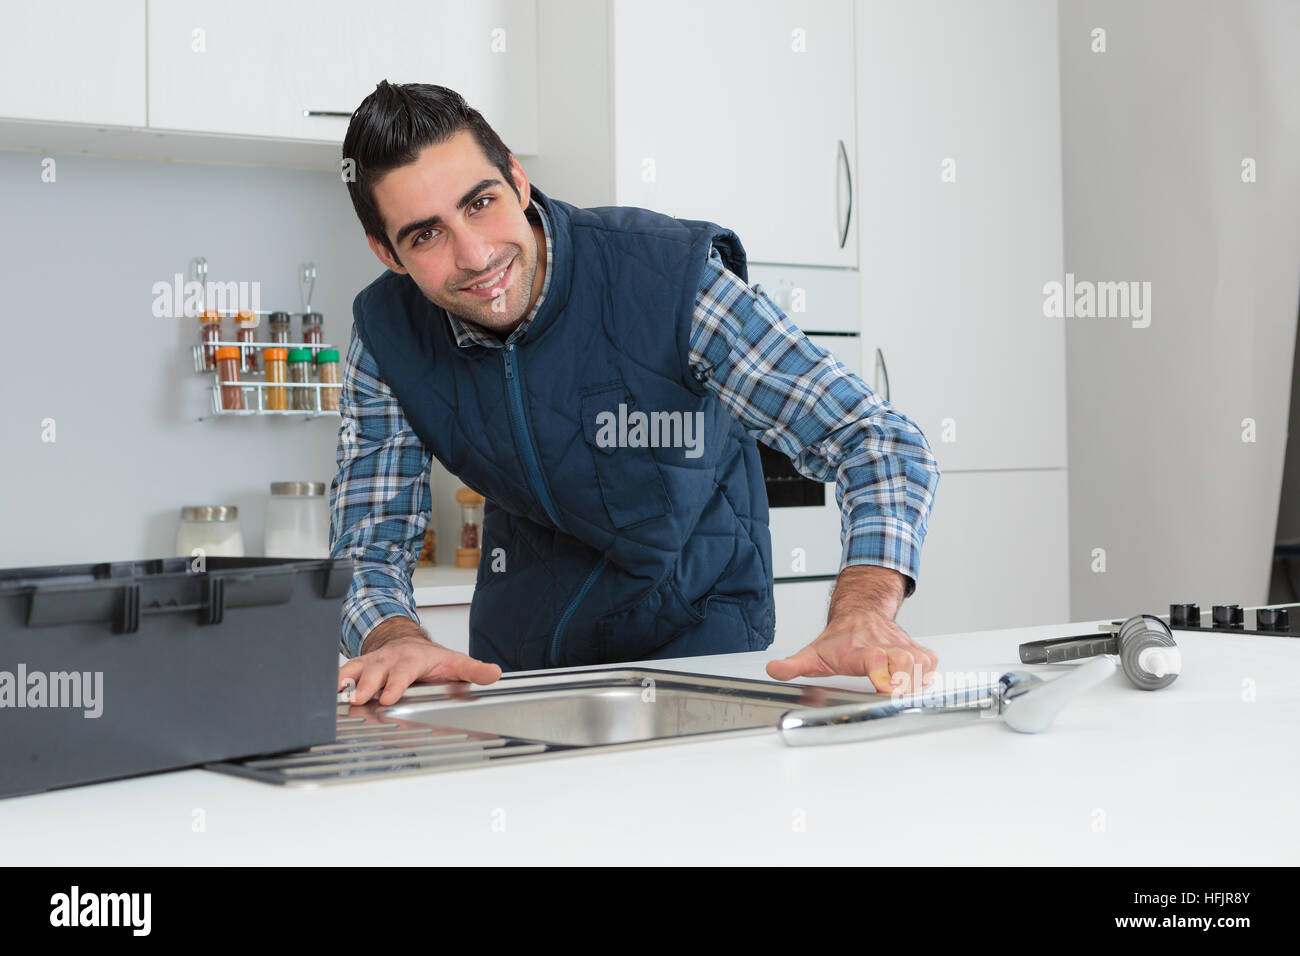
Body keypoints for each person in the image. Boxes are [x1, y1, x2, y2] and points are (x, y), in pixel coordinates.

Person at [331, 82, 941, 707]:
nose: (475, 254)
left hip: (701, 654)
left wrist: (864, 609)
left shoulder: (671, 282)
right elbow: (367, 545)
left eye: (481, 202)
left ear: (516, 180)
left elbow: (877, 441)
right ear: (388, 253)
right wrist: (390, 635)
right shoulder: (386, 335)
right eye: (426, 235)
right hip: (521, 672)